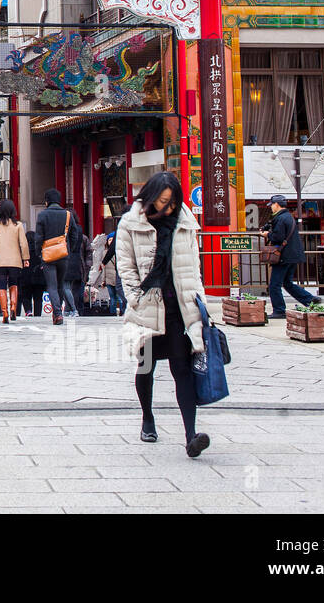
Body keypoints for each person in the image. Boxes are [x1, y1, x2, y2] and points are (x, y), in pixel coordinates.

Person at [119, 171, 212, 458]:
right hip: (148, 306)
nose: (167, 208)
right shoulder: (131, 223)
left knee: (182, 368)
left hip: (177, 308)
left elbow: (193, 269)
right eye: (162, 201)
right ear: (150, 197)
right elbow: (127, 267)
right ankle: (147, 417)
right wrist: (135, 298)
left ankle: (190, 435)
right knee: (146, 366)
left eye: (172, 202)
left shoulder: (185, 222)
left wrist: (200, 304)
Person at [261, 194, 321, 319]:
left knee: (274, 284)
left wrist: (267, 234)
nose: (271, 207)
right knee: (287, 283)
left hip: (283, 256)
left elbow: (278, 237)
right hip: (293, 254)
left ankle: (279, 310)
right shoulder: (287, 217)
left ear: (276, 205)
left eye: (272, 205)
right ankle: (310, 300)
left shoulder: (280, 218)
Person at [35, 188, 83, 324]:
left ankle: (57, 314)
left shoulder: (42, 215)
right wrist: (68, 248)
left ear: (47, 201)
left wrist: (39, 252)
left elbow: (39, 237)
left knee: (51, 285)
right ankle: (59, 311)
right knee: (61, 284)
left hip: (48, 254)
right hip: (63, 254)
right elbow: (74, 234)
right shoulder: (67, 214)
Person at [0, 199, 31, 324]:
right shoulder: (18, 225)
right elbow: (23, 244)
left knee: (1, 286)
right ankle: (13, 306)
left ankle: (4, 312)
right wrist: (25, 259)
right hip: (15, 261)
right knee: (14, 283)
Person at [103, 225, 126, 317]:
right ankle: (114, 313)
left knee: (120, 293)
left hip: (122, 267)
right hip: (110, 277)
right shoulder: (105, 252)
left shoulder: (122, 230)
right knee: (113, 297)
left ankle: (124, 310)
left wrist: (104, 261)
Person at [22, 228, 45, 317]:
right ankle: (37, 314)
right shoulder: (40, 249)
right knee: (38, 298)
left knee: (26, 296)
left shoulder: (23, 250)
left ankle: (28, 311)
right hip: (39, 277)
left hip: (26, 276)